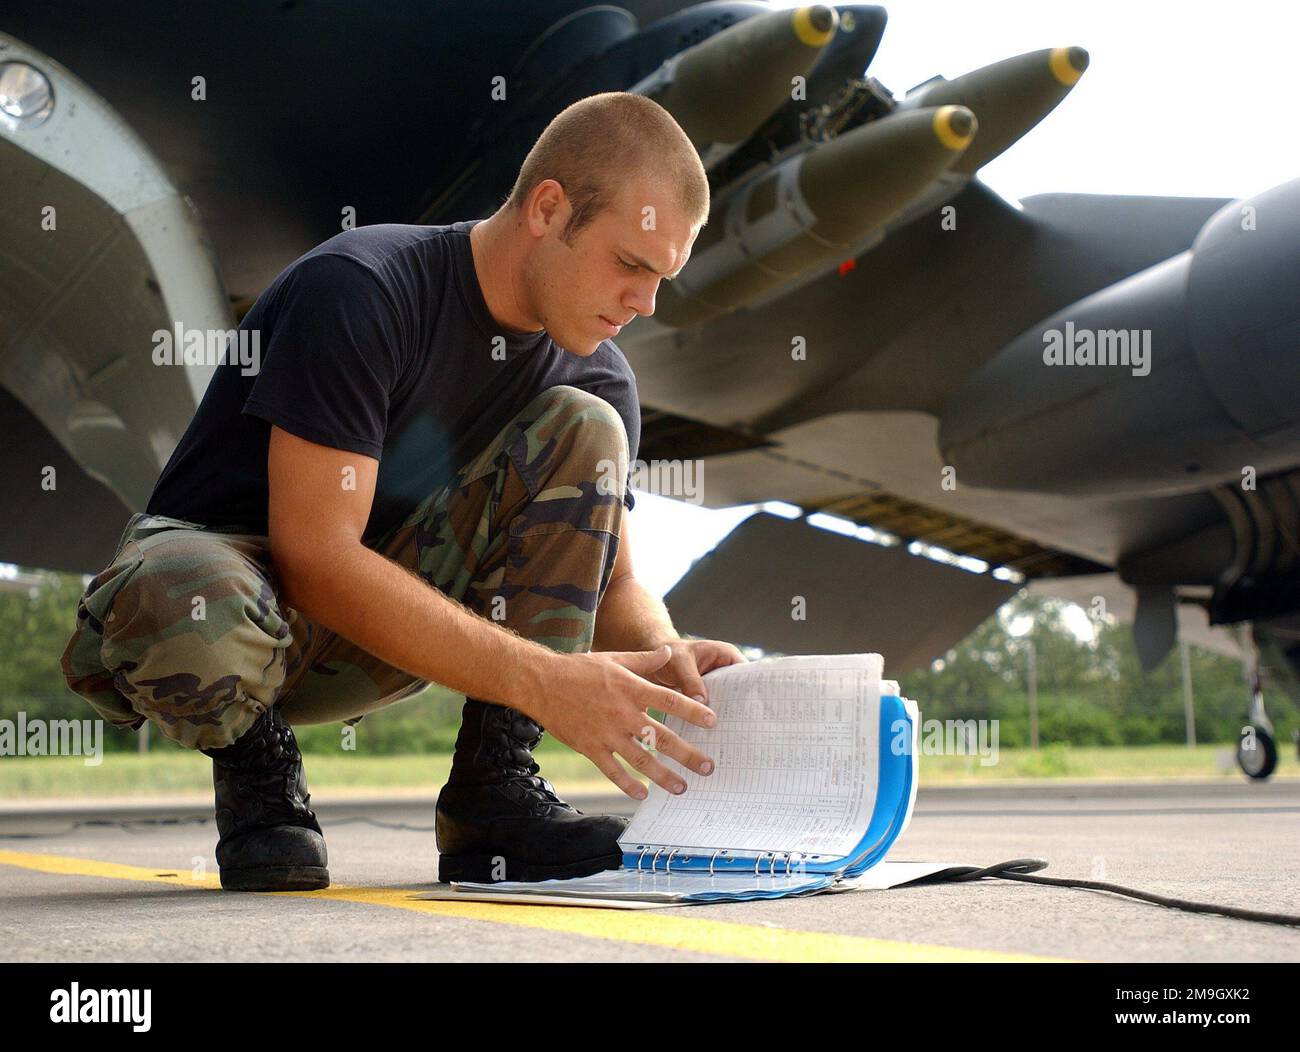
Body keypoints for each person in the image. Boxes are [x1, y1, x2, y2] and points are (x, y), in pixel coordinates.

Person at [60, 91, 746, 892]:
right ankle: (258, 777)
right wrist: (544, 678)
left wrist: (665, 661)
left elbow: (615, 582)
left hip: (386, 631)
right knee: (185, 593)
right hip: (224, 618)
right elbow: (315, 558)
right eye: (630, 263)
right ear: (548, 208)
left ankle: (494, 791)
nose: (645, 302)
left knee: (588, 424)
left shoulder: (596, 374)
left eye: (663, 277)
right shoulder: (362, 288)